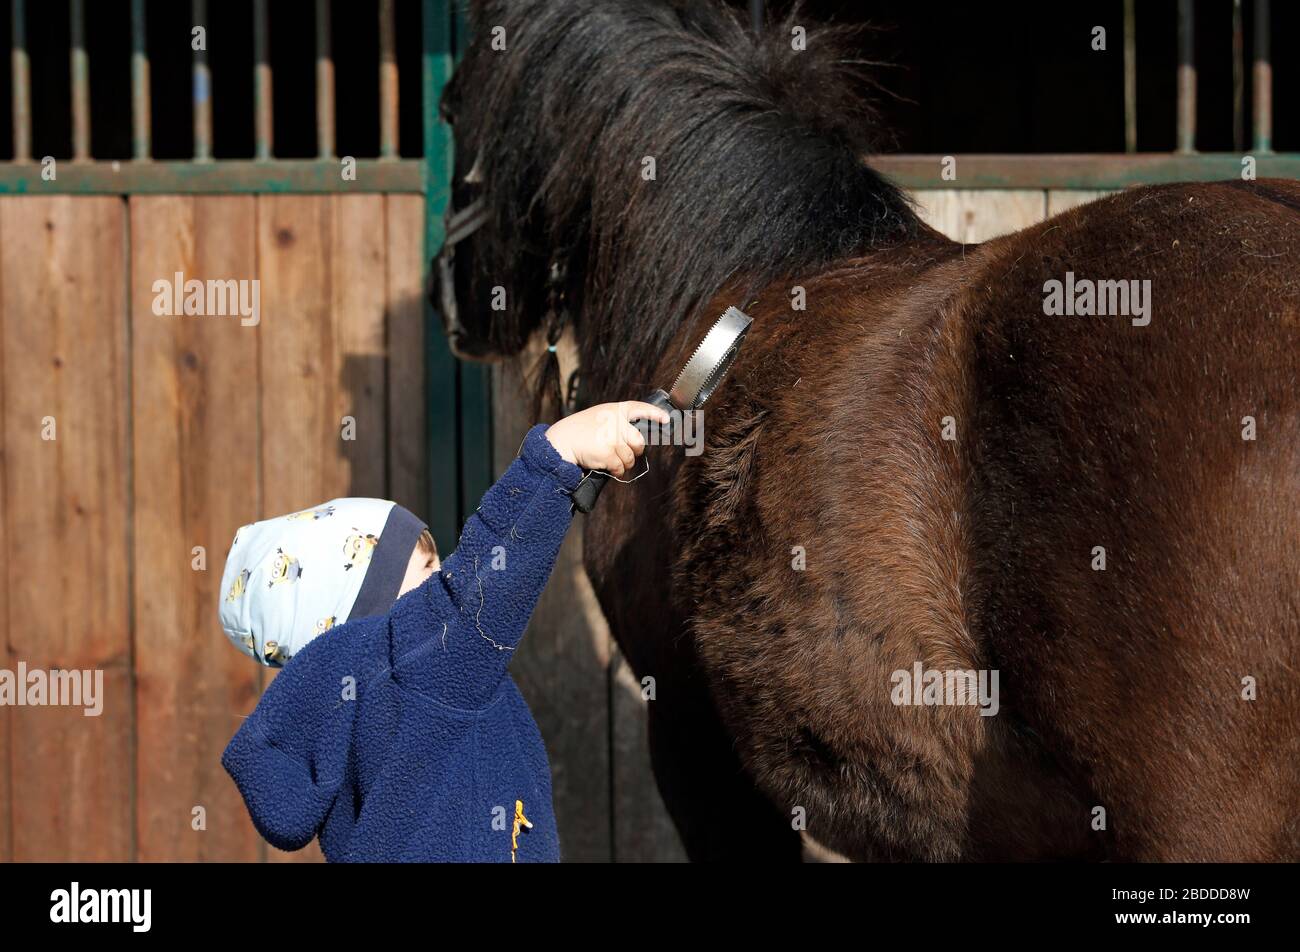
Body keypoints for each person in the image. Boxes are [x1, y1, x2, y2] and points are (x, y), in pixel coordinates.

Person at [219, 401, 668, 862]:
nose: (444, 579)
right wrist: (557, 457)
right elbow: (476, 592)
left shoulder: (360, 717)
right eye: (429, 567)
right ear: (367, 618)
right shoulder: (414, 669)